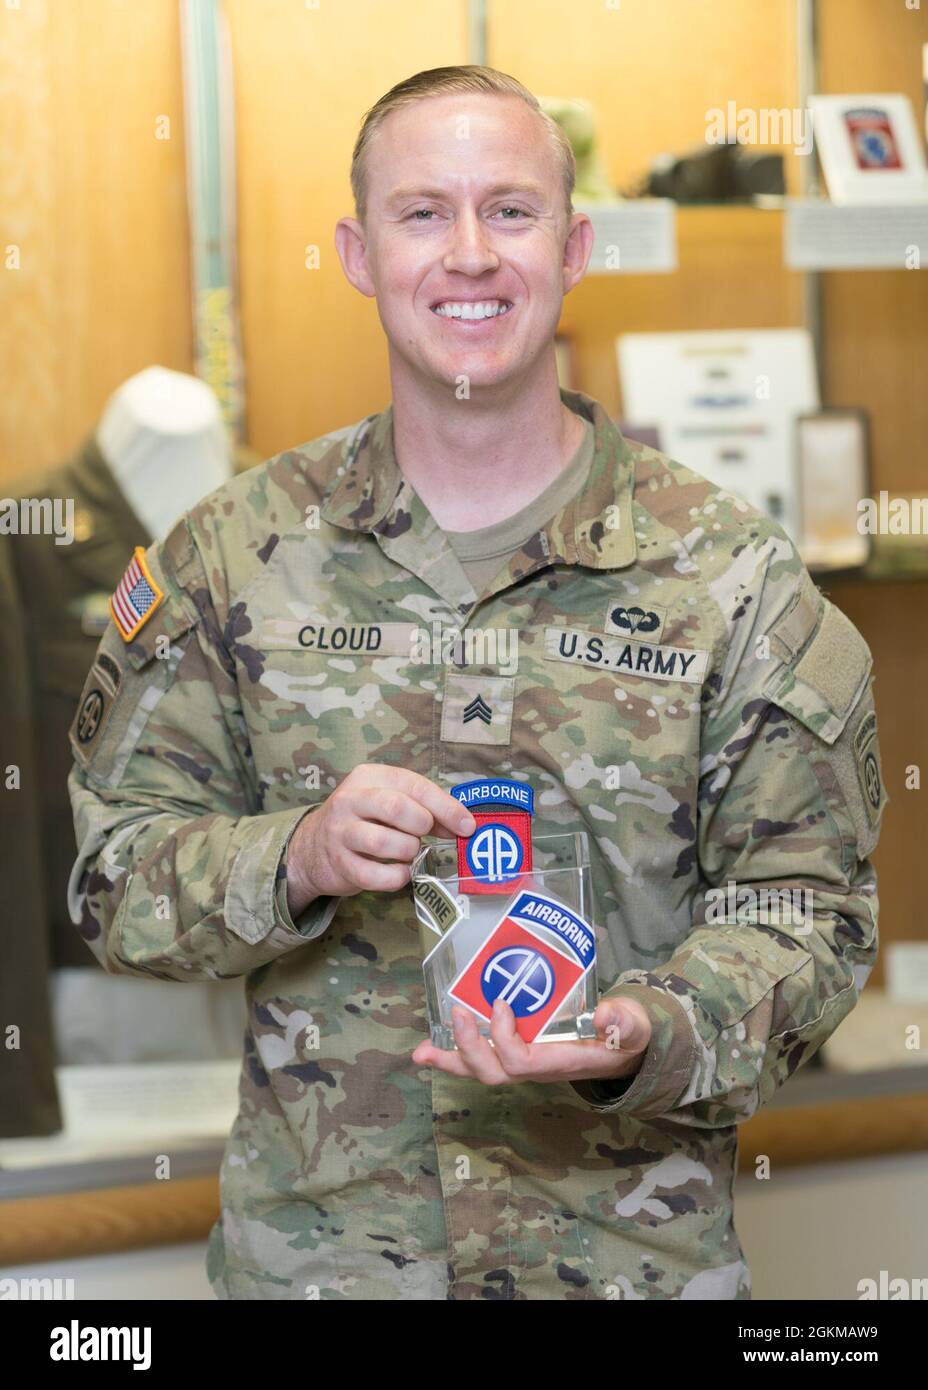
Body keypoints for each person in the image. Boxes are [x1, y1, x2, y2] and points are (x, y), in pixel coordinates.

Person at [67, 65, 886, 1301]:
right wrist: (295, 858)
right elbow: (109, 874)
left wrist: (645, 1031)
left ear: (575, 245)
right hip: (322, 1272)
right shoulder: (229, 557)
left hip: (627, 1268)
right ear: (355, 251)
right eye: (420, 213)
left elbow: (811, 915)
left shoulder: (730, 576)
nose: (468, 255)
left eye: (510, 211)